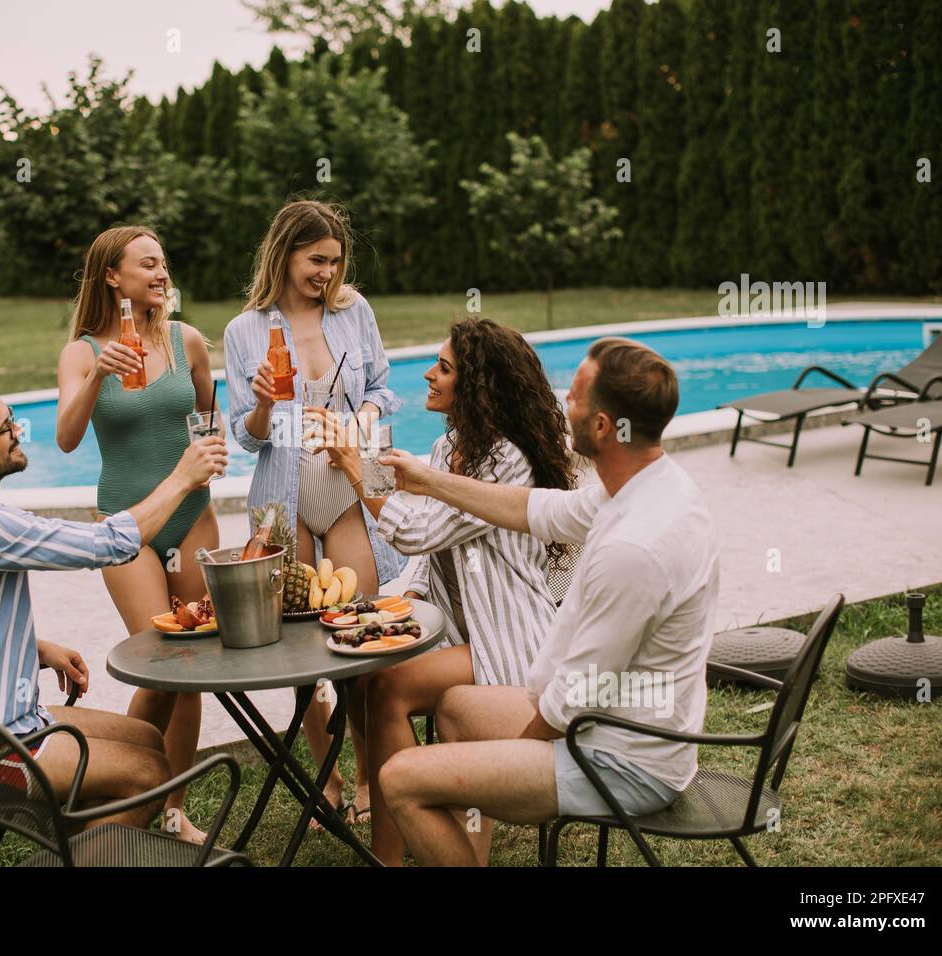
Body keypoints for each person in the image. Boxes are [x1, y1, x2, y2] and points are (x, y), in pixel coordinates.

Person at [377, 337, 721, 866]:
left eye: (577, 397)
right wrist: (429, 480)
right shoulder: (644, 486)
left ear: (604, 426)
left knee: (400, 779)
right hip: (608, 722)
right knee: (455, 705)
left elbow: (573, 701)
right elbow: (535, 508)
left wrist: (516, 754)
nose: (563, 404)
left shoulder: (635, 549)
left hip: (622, 758)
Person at [0, 374, 227, 831]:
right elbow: (110, 544)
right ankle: (94, 854)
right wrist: (182, 478)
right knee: (150, 774)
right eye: (2, 428)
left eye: (11, 419)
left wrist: (34, 647)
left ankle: (82, 841)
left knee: (149, 739)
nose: (17, 433)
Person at [314, 317, 574, 865]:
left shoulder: (509, 461)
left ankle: (392, 852)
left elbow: (417, 532)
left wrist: (356, 467)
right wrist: (394, 608)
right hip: (458, 631)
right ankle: (424, 836)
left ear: (478, 385)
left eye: (445, 368)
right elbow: (428, 541)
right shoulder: (448, 445)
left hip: (509, 639)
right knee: (367, 673)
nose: (430, 375)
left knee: (388, 687)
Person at [223, 199, 406, 825]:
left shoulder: (354, 312)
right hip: (284, 491)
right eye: (315, 260)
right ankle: (329, 776)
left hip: (352, 479)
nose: (326, 273)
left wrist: (362, 420)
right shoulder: (246, 330)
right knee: (302, 648)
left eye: (334, 261)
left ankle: (369, 785)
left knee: (360, 637)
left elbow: (384, 388)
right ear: (284, 254)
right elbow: (247, 439)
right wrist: (257, 405)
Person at [55, 226, 221, 843]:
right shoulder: (83, 351)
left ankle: (170, 809)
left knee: (194, 659)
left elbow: (206, 413)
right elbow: (67, 437)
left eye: (162, 264)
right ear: (111, 277)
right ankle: (125, 797)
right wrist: (99, 374)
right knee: (161, 659)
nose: (159, 273)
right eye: (145, 264)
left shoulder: (188, 340)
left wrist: (212, 442)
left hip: (192, 515)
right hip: (125, 526)